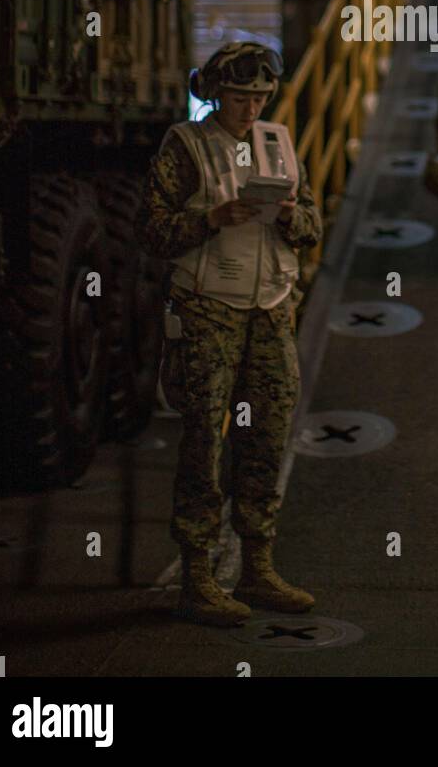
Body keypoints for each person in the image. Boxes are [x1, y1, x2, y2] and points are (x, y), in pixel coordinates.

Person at [136, 40, 322, 627]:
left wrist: (293, 216)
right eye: (241, 97)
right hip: (207, 308)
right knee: (203, 440)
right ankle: (197, 575)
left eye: (262, 97)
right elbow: (152, 231)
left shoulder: (280, 145)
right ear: (216, 92)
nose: (251, 108)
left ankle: (257, 567)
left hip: (270, 308)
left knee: (267, 434)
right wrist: (210, 219)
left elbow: (315, 224)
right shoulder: (184, 145)